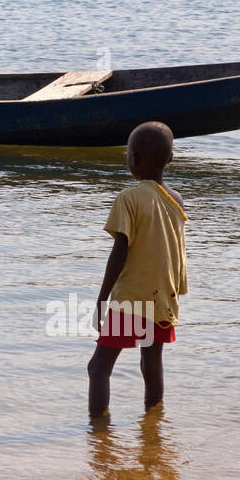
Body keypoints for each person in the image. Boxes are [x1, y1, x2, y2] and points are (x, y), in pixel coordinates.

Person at [87, 121, 187, 417]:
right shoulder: (177, 200)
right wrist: (176, 291)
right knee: (152, 364)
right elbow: (177, 252)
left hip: (131, 298)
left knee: (98, 367)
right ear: (169, 159)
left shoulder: (128, 198)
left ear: (134, 159)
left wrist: (102, 297)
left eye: (128, 153)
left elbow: (119, 254)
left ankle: (98, 432)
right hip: (163, 297)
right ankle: (153, 427)